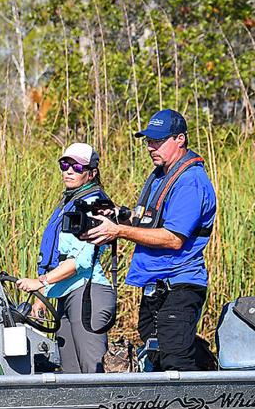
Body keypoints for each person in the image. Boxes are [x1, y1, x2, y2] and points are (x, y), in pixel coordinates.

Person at [84, 109, 217, 371]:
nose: (150, 147)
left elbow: (173, 238)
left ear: (180, 139)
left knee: (174, 360)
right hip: (154, 285)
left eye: (158, 141)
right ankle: (205, 372)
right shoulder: (160, 175)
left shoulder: (190, 181)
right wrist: (118, 216)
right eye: (148, 141)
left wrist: (118, 231)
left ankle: (198, 403)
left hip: (180, 285)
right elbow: (146, 219)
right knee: (156, 353)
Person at [16, 142, 117, 374]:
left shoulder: (94, 204)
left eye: (77, 167)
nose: (69, 171)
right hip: (64, 293)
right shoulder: (68, 203)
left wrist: (40, 283)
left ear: (91, 172)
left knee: (92, 371)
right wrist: (42, 297)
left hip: (88, 294)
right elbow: (56, 258)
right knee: (70, 373)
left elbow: (80, 261)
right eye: (65, 165)